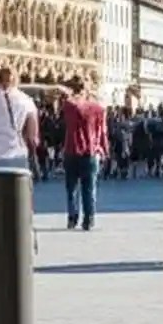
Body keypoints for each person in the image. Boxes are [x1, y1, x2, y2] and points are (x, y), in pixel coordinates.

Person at [60, 75, 109, 231]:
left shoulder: (69, 106)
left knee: (71, 189)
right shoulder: (98, 109)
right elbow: (103, 132)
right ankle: (89, 218)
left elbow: (72, 109)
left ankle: (72, 217)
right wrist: (104, 150)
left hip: (72, 150)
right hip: (91, 152)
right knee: (89, 188)